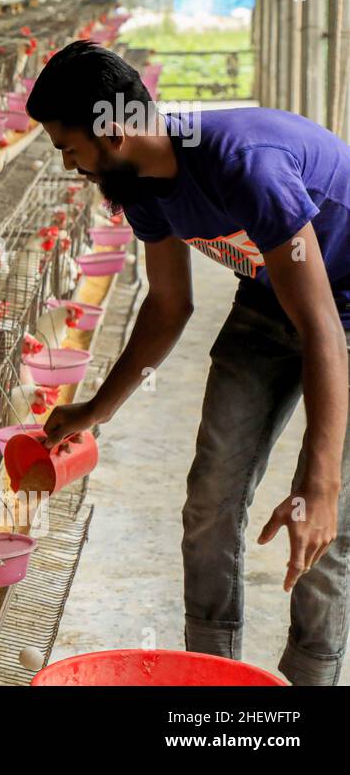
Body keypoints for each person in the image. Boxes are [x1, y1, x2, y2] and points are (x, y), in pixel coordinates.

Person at [27, 39, 350, 685]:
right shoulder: (141, 185)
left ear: (113, 131)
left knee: (325, 530)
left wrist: (318, 482)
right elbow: (169, 306)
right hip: (269, 299)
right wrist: (97, 409)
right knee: (210, 497)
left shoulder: (243, 166)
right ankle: (210, 676)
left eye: (70, 149)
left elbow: (322, 328)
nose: (71, 167)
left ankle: (309, 683)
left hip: (339, 311)